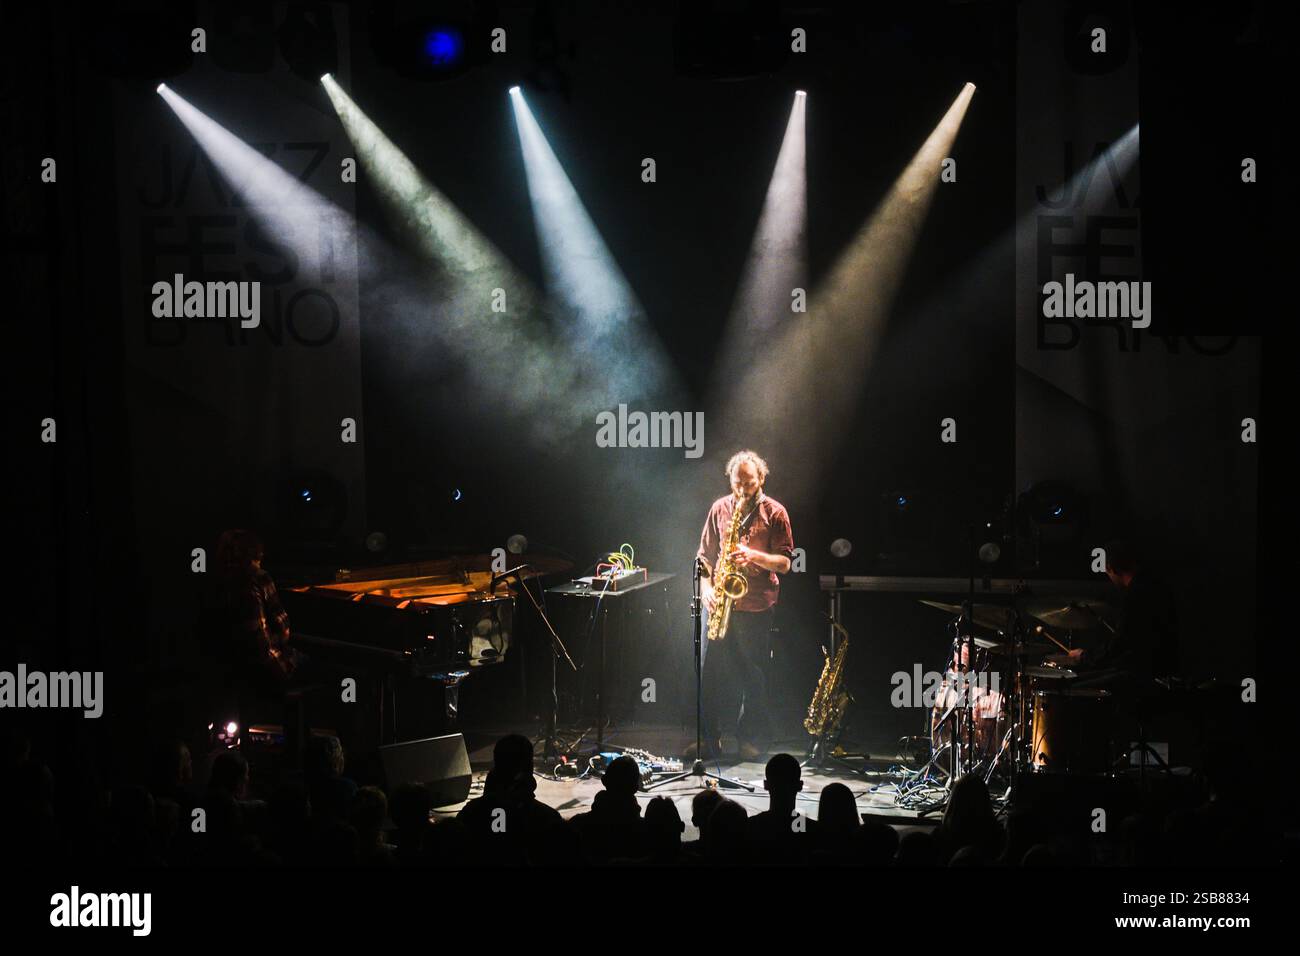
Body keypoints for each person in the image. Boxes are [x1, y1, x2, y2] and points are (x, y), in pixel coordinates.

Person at [694, 450, 795, 761]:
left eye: (748, 484)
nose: (742, 491)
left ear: (761, 479)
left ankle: (750, 738)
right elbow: (703, 559)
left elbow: (785, 563)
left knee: (753, 676)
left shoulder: (775, 512)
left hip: (756, 607)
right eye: (737, 484)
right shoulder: (719, 508)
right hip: (721, 604)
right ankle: (708, 739)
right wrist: (707, 589)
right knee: (709, 676)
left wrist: (753, 555)